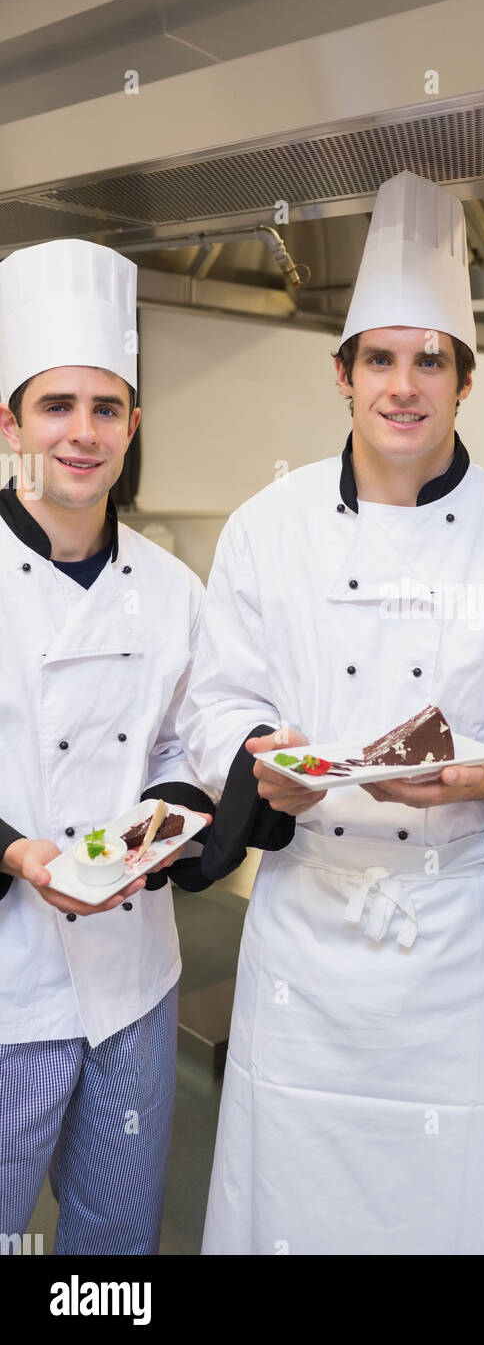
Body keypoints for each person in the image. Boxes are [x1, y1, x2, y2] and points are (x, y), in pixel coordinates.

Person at [179, 170, 484, 1254]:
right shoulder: (267, 527)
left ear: (466, 381)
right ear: (343, 373)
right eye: (381, 357)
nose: (403, 385)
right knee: (288, 1198)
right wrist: (256, 758)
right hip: (305, 934)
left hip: (458, 948)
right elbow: (217, 698)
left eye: (431, 361)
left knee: (449, 1207)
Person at [0, 239, 214, 1255]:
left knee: (116, 1243)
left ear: (133, 425)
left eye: (105, 408)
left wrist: (163, 824)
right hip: (5, 980)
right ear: (9, 422)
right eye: (56, 406)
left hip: (134, 976)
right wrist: (16, 850)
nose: (81, 434)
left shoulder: (173, 586)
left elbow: (190, 738)